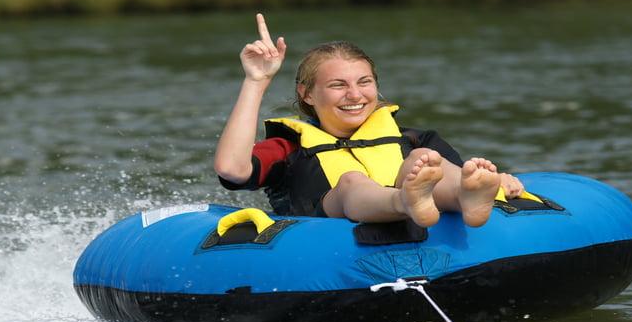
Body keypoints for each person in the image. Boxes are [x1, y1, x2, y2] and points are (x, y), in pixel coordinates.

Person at [214, 13, 524, 227]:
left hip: (424, 202)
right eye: (338, 85)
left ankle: (466, 199)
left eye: (364, 82)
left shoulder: (414, 139)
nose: (355, 95)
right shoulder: (288, 148)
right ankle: (405, 202)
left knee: (427, 160)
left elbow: (454, 170)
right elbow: (231, 170)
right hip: (327, 232)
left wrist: (497, 184)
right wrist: (256, 81)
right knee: (350, 180)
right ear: (307, 94)